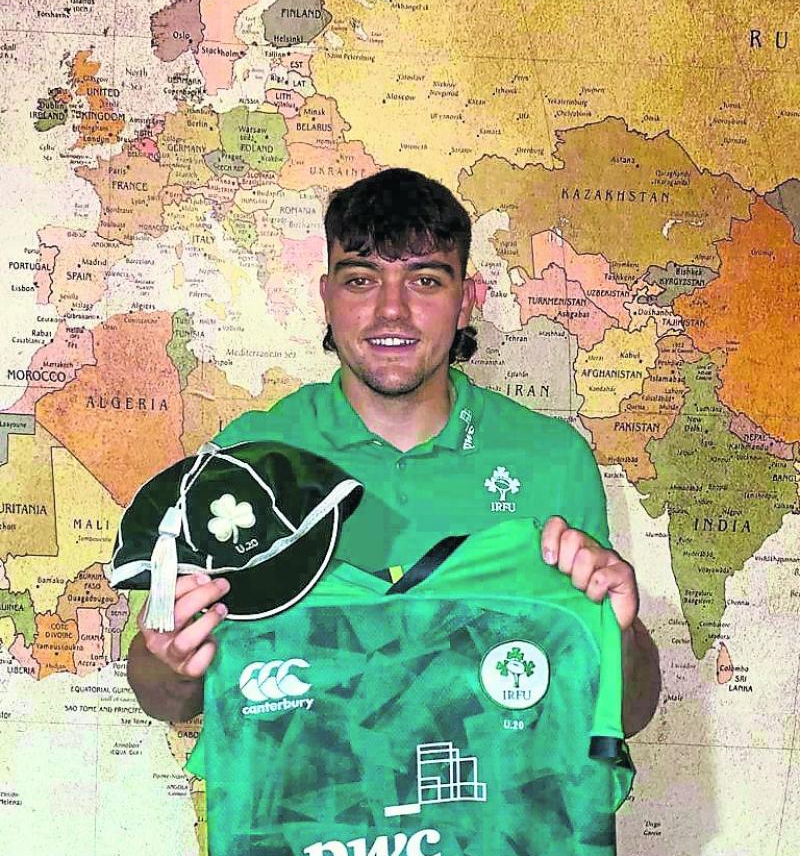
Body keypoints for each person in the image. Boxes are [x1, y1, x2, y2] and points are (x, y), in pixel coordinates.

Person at [126, 167, 660, 734]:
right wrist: (175, 662)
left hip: (492, 817)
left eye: (426, 281)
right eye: (361, 280)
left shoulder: (552, 459)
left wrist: (620, 632)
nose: (392, 311)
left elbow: (626, 715)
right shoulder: (249, 458)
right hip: (308, 817)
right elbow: (167, 700)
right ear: (326, 296)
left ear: (467, 301)